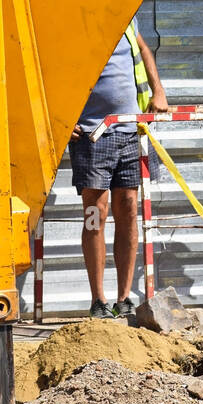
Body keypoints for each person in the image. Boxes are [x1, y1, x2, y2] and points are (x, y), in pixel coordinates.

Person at [69, 18, 169, 319]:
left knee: (128, 210)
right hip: (92, 134)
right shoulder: (71, 20)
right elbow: (46, 71)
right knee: (94, 215)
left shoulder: (124, 14)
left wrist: (158, 90)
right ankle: (98, 300)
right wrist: (58, 118)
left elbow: (143, 50)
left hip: (131, 131)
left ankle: (124, 298)